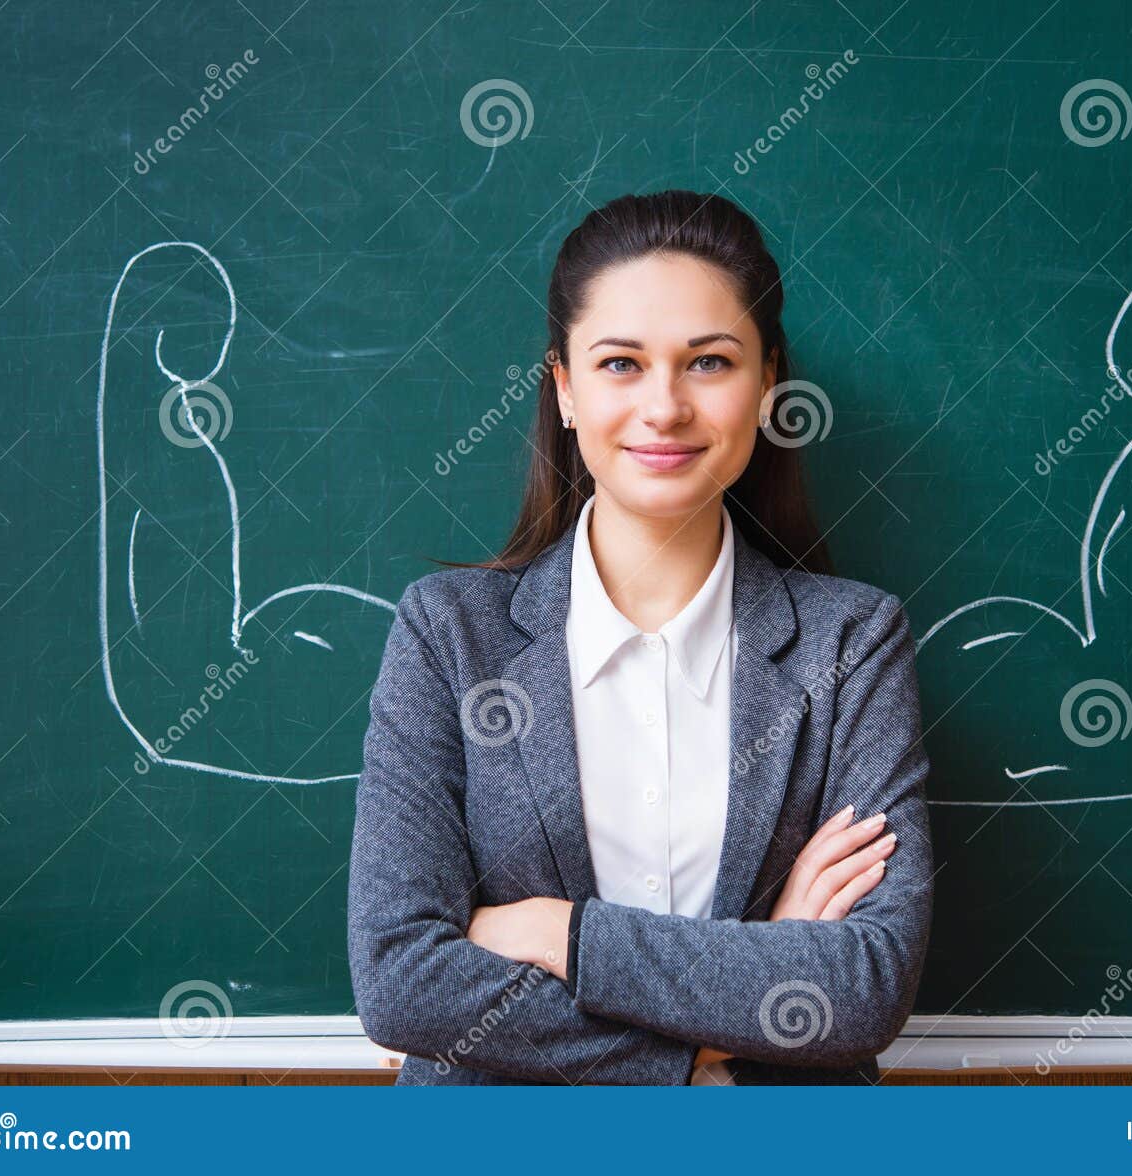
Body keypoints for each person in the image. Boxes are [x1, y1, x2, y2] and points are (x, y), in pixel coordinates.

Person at [347, 189, 934, 1085]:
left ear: (769, 382)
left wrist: (558, 933)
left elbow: (864, 988)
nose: (664, 407)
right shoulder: (447, 635)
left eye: (709, 362)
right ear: (566, 389)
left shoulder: (852, 642)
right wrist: (721, 1016)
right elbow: (402, 984)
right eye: (621, 364)